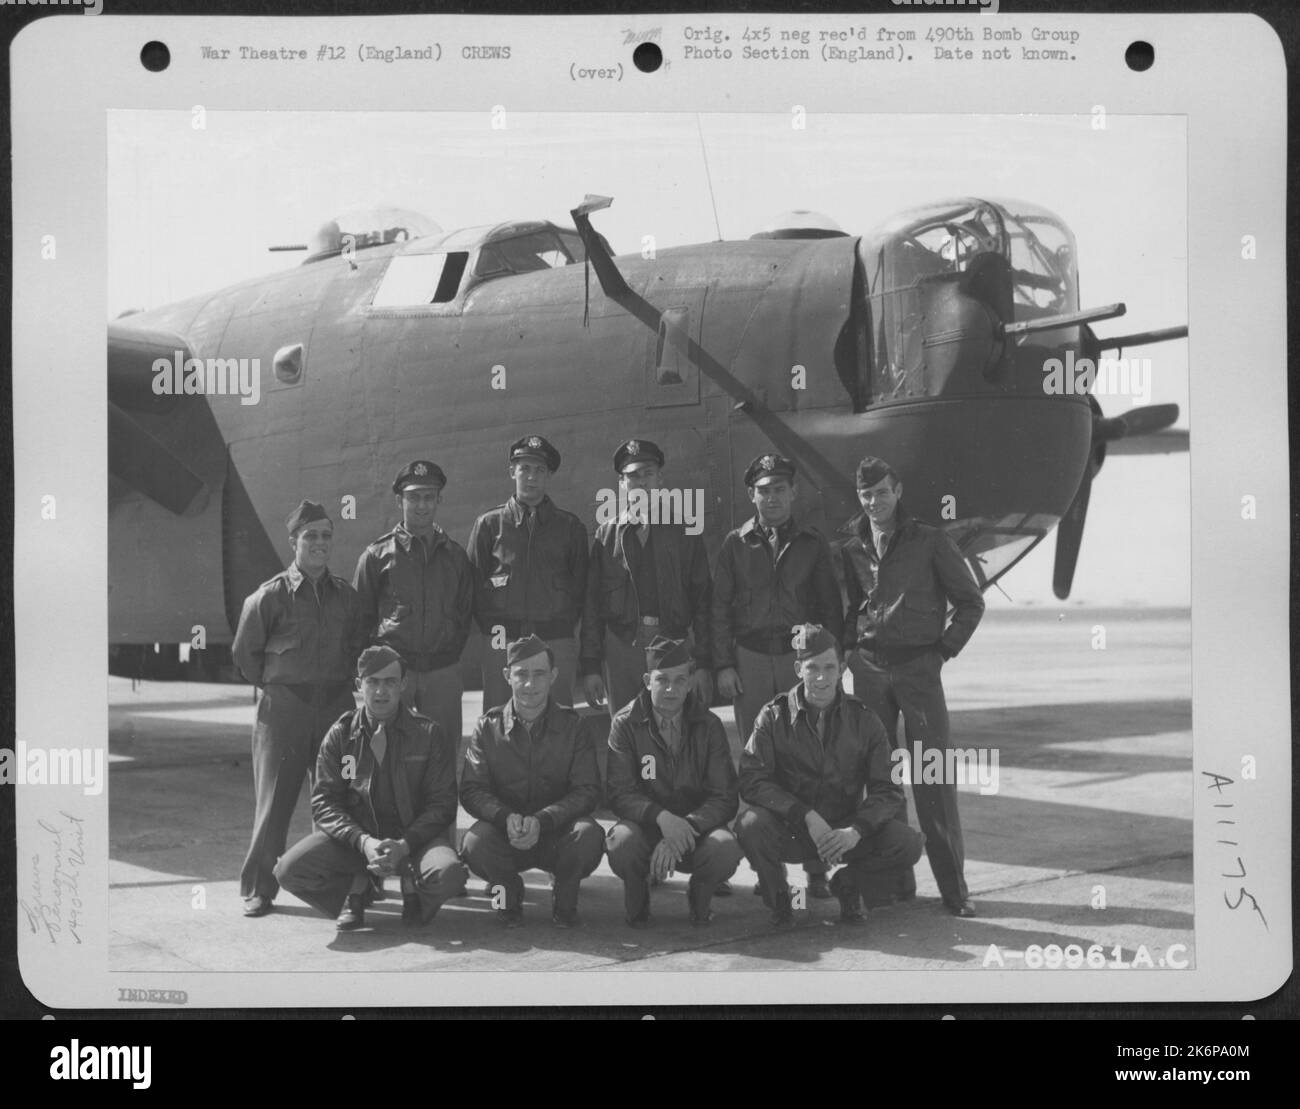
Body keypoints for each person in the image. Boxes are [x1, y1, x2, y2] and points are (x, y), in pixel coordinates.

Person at [841, 456, 985, 917]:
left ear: (897, 492)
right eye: (866, 495)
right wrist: (849, 652)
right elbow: (848, 607)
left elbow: (970, 602)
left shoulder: (930, 541)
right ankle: (895, 886)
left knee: (933, 778)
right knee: (878, 781)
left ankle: (954, 893)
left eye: (882, 492)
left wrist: (942, 651)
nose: (874, 502)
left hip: (919, 670)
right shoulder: (852, 547)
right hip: (869, 671)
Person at [711, 452, 844, 897]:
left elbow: (830, 610)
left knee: (806, 764)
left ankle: (815, 870)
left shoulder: (812, 544)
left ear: (793, 493)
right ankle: (767, 873)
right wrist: (724, 665)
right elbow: (719, 610)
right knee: (756, 766)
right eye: (764, 491)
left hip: (796, 663)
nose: (772, 498)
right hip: (749, 660)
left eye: (780, 489)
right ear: (752, 495)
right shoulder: (735, 544)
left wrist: (829, 666)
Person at [737, 625, 923, 928]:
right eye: (812, 668)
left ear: (842, 669)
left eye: (829, 667)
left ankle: (849, 886)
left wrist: (856, 830)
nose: (821, 677)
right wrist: (805, 815)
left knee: (908, 843)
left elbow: (889, 790)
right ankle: (781, 898)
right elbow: (751, 779)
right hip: (794, 830)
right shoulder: (772, 716)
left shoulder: (865, 720)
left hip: (842, 833)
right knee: (750, 825)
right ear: (798, 669)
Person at [232, 500, 364, 917]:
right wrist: (283, 689)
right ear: (294, 542)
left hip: (336, 711)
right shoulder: (268, 597)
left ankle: (338, 891)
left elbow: (359, 647)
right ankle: (260, 888)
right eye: (311, 536)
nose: (320, 543)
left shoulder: (346, 596)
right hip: (284, 712)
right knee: (274, 804)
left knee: (336, 803)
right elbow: (245, 655)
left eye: (326, 535)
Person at [274, 646, 468, 930]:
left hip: (414, 842)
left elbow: (443, 803)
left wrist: (405, 845)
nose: (381, 692)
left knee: (450, 874)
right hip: (358, 844)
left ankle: (413, 889)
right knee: (289, 871)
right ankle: (355, 888)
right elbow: (324, 802)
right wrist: (364, 843)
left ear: (403, 684)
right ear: (358, 685)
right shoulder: (341, 736)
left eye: (390, 682)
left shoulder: (428, 734)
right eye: (372, 682)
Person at [459, 635, 604, 926]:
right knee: (475, 843)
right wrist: (504, 817)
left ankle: (565, 894)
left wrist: (544, 820)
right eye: (521, 674)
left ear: (553, 676)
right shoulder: (488, 727)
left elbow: (588, 790)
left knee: (589, 835)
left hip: (556, 834)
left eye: (539, 674)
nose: (529, 684)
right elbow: (472, 789)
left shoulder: (574, 727)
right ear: (506, 676)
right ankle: (507, 893)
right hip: (507, 834)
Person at [605, 636, 740, 927]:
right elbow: (619, 792)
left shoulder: (709, 725)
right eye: (662, 680)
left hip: (695, 832)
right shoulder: (625, 724)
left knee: (725, 847)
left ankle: (700, 894)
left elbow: (724, 796)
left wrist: (687, 825)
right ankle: (638, 894)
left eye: (680, 680)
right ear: (646, 680)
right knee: (621, 842)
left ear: (691, 682)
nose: (671, 689)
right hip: (646, 829)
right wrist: (662, 819)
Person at [581, 438, 712, 719]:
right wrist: (591, 665)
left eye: (648, 474)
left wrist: (703, 662)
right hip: (622, 646)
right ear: (622, 483)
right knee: (625, 730)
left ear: (660, 478)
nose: (641, 482)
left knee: (674, 730)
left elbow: (703, 601)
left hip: (672, 642)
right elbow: (592, 606)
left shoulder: (685, 530)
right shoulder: (606, 536)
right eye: (633, 476)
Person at [352, 460, 474, 749]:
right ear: (399, 500)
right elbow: (359, 617)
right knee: (386, 752)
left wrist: (447, 655)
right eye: (414, 497)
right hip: (393, 672)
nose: (422, 506)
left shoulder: (455, 557)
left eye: (429, 497)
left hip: (442, 671)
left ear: (439, 500)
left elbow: (465, 612)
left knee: (442, 753)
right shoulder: (376, 556)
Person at [468, 436, 589, 711]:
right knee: (499, 719)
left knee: (558, 719)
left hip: (556, 638)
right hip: (502, 640)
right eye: (524, 468)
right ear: (513, 472)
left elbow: (581, 589)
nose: (531, 477)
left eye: (539, 470)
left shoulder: (570, 528)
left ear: (549, 475)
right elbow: (473, 587)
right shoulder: (489, 525)